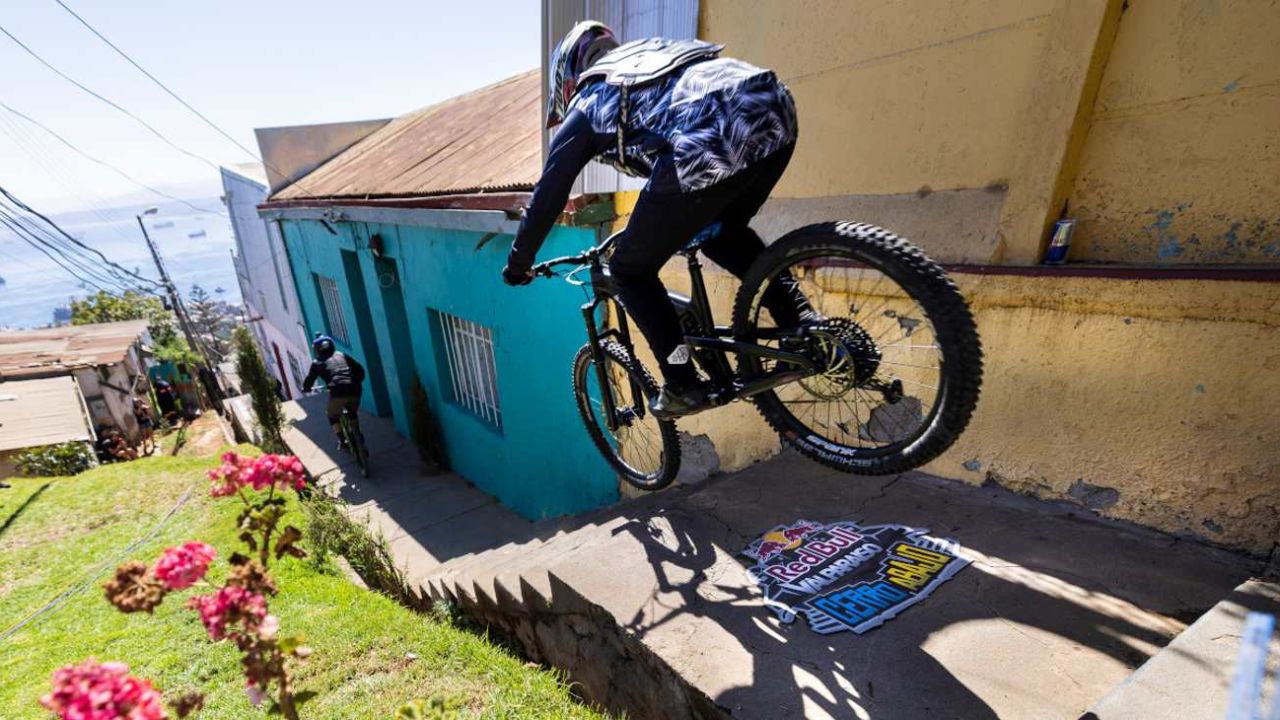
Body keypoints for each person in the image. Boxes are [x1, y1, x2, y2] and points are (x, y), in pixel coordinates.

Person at [502, 22, 809, 418]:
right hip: (774, 105)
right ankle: (803, 326)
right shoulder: (649, 62)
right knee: (721, 234)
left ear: (569, 80)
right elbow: (673, 194)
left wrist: (519, 263)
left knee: (628, 270)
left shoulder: (591, 98)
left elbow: (549, 192)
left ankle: (682, 383)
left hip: (708, 133)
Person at [301, 334, 366, 451]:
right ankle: (357, 433)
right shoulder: (342, 355)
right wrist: (357, 381)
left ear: (317, 349)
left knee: (332, 414)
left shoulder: (317, 363)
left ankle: (342, 440)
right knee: (352, 411)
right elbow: (359, 369)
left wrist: (306, 388)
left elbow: (310, 379)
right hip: (355, 389)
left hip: (337, 392)